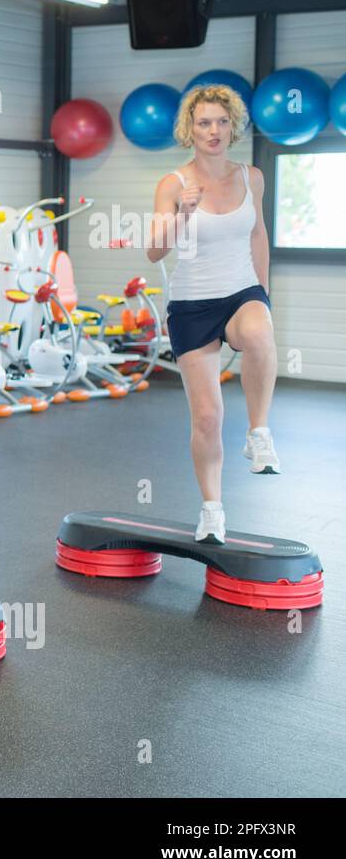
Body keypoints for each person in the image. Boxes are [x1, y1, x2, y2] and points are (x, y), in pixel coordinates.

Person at [148, 84, 279, 545]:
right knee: (206, 417)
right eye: (204, 122)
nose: (214, 130)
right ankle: (212, 510)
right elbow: (154, 250)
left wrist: (262, 292)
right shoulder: (173, 183)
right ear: (191, 129)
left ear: (233, 127)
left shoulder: (252, 177)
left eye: (222, 122)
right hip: (191, 304)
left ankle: (259, 433)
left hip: (240, 290)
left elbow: (258, 234)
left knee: (260, 334)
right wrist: (181, 214)